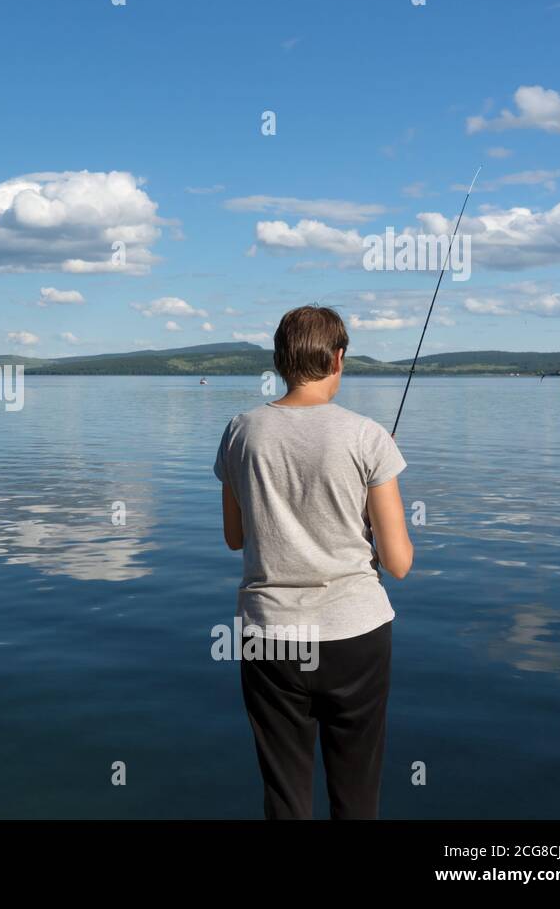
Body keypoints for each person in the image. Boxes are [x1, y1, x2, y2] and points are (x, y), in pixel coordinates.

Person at [213, 305, 413, 819]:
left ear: (280, 360)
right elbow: (398, 563)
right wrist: (374, 484)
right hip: (356, 635)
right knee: (356, 794)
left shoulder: (241, 431)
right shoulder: (368, 437)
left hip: (269, 634)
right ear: (338, 358)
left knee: (285, 797)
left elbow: (235, 539)